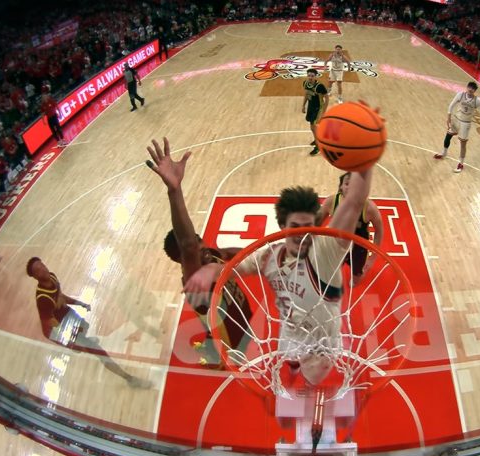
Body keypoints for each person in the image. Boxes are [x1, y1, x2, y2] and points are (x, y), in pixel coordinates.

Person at [150, 124, 376, 388]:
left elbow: (353, 203)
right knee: (290, 359)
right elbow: (213, 255)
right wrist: (213, 270)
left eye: (308, 225)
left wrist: (365, 157)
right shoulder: (271, 256)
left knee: (311, 382)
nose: (303, 234)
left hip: (323, 340)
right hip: (289, 331)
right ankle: (291, 363)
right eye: (295, 228)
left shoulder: (327, 247)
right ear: (281, 228)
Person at [146, 139, 254, 367]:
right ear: (182, 260)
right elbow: (187, 244)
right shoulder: (195, 283)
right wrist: (174, 191)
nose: (201, 246)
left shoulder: (210, 253)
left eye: (199, 240)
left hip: (244, 321)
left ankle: (209, 339)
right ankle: (212, 353)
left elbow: (233, 252)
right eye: (195, 248)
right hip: (233, 346)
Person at [26, 257, 151, 388]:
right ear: (35, 277)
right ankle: (129, 379)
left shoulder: (52, 277)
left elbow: (61, 297)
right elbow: (49, 327)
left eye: (42, 265)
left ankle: (83, 343)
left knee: (85, 327)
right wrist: (68, 342)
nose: (43, 269)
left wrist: (80, 303)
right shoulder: (43, 299)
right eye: (38, 270)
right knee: (99, 353)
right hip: (59, 328)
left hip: (66, 315)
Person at [317, 172, 383, 285]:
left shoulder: (370, 208)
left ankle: (355, 279)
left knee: (356, 277)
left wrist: (372, 258)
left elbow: (379, 231)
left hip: (359, 248)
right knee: (331, 272)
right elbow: (316, 225)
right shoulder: (331, 202)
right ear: (341, 187)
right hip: (336, 245)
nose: (351, 188)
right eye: (347, 183)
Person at [433, 81, 480, 173]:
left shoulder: (477, 101)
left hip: (466, 123)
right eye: (469, 87)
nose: (470, 89)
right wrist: (448, 117)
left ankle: (461, 163)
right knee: (448, 136)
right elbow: (452, 105)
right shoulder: (460, 95)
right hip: (456, 119)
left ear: (475, 91)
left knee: (463, 144)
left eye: (473, 88)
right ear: (467, 87)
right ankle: (444, 153)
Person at [302, 68, 329, 156]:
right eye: (309, 75)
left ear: (315, 76)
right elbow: (306, 94)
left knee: (313, 127)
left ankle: (318, 146)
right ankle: (316, 138)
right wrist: (303, 105)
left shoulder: (320, 86)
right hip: (311, 107)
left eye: (312, 76)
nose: (310, 77)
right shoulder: (305, 83)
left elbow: (327, 98)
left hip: (318, 108)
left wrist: (324, 111)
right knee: (312, 127)